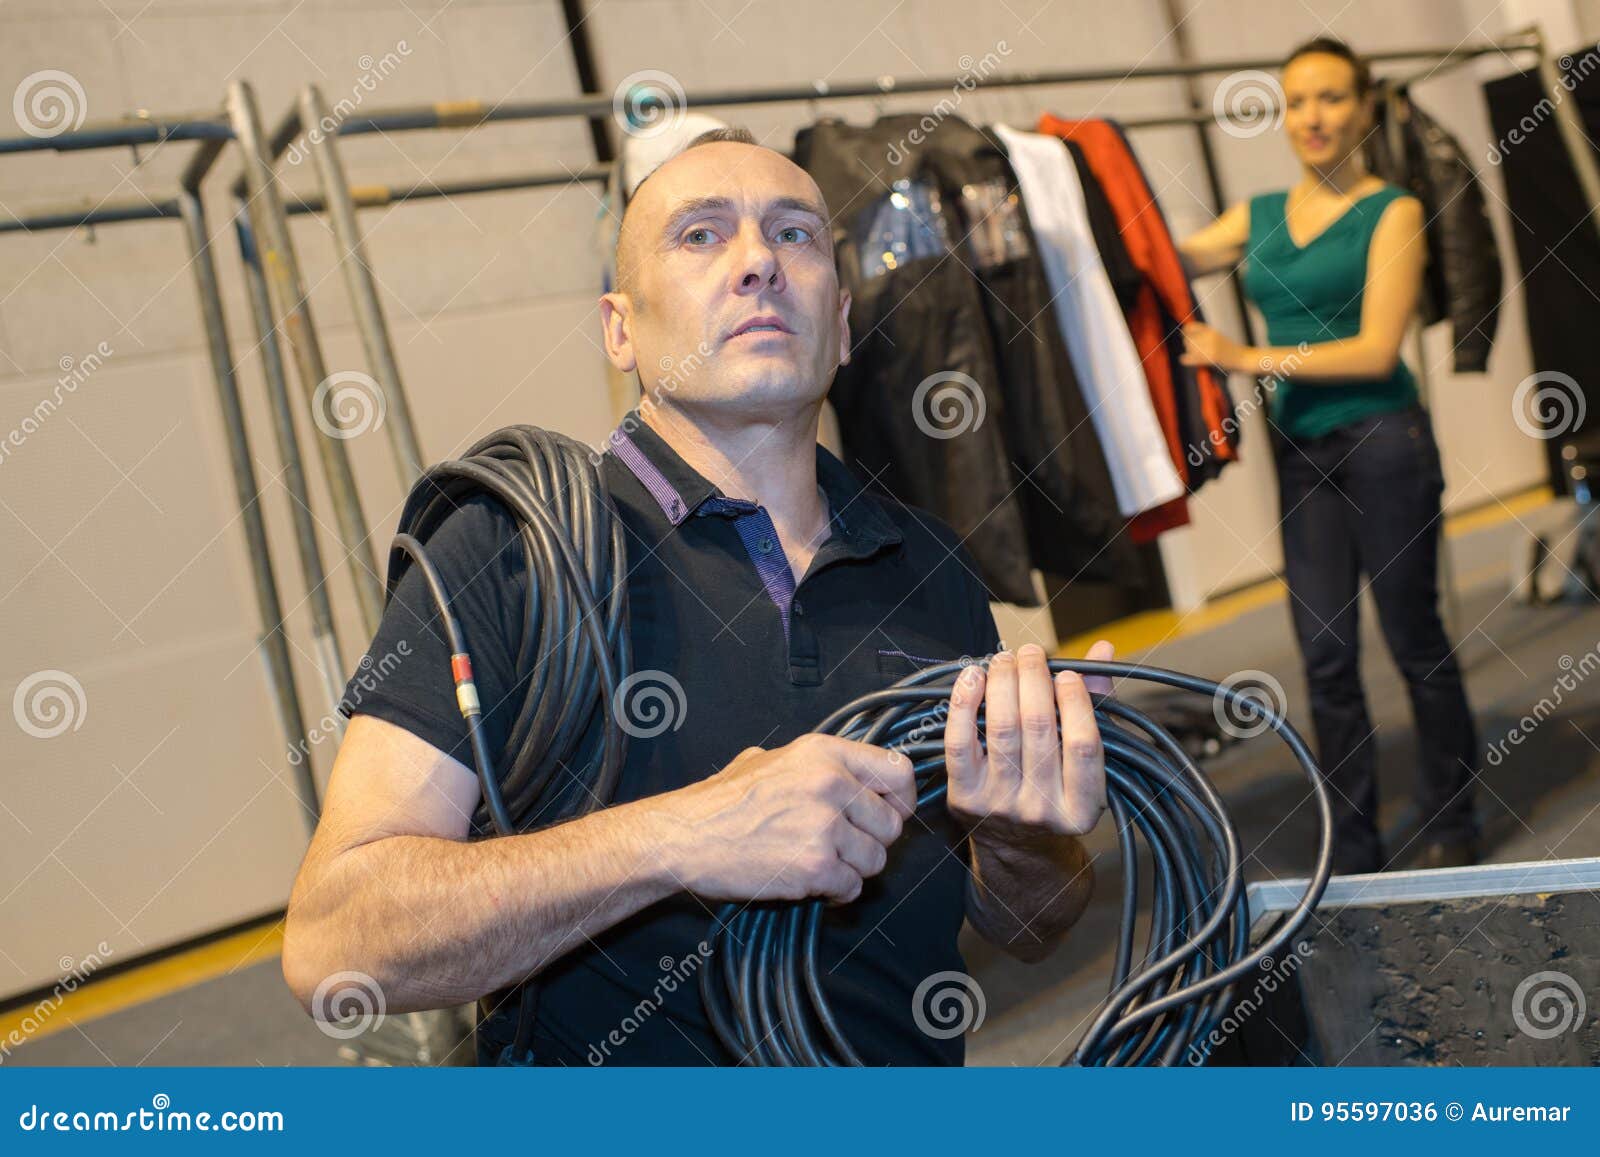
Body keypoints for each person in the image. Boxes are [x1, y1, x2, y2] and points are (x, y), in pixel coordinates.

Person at [280, 126, 1115, 1065]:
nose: (759, 261)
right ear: (620, 329)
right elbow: (334, 945)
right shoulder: (510, 554)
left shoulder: (931, 567)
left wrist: (1020, 841)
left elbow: (1034, 924)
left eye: (794, 234)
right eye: (701, 235)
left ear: (842, 322)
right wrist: (683, 836)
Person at [1178, 36, 1480, 873]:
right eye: (1296, 101)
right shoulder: (1258, 215)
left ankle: (1454, 816)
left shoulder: (1395, 211)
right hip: (1301, 451)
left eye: (1332, 98)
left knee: (1413, 634)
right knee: (1325, 655)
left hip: (1384, 440)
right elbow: (1158, 259)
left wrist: (1242, 358)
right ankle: (1353, 843)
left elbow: (1377, 349)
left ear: (1365, 106)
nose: (1312, 117)